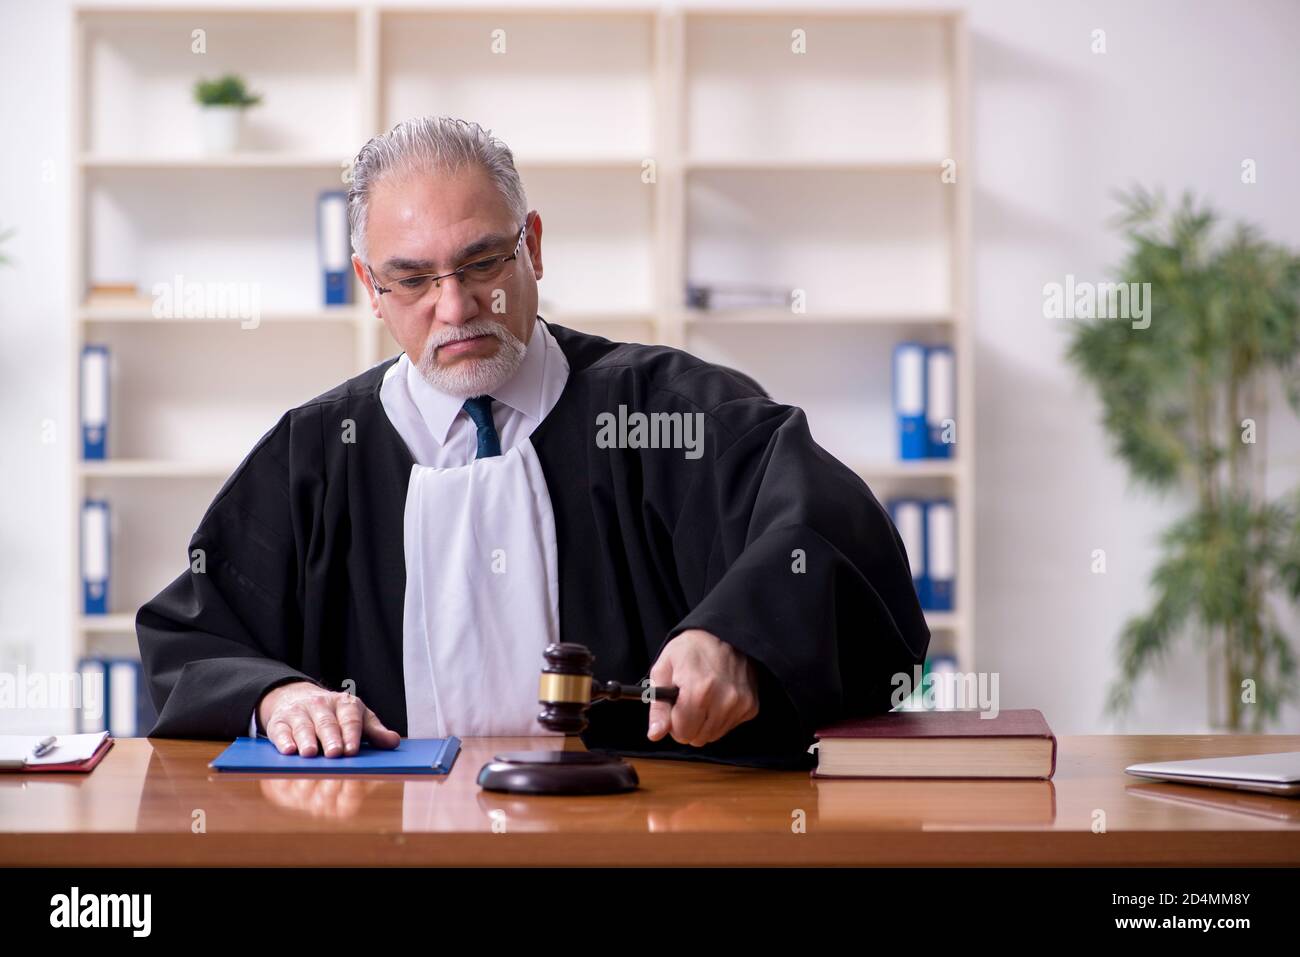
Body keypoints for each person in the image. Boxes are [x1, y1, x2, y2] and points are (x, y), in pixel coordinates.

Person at [137, 116, 930, 770]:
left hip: (652, 844)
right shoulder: (317, 454)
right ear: (370, 288)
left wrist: (736, 638)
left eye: (482, 261)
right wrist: (279, 696)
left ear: (534, 247)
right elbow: (192, 634)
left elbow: (828, 529)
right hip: (386, 846)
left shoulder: (668, 412)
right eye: (412, 279)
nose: (454, 307)